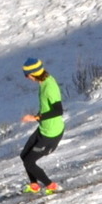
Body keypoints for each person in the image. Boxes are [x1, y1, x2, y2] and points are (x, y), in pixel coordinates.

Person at [18, 58, 65, 195]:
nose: (27, 78)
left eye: (27, 75)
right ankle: (34, 185)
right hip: (44, 128)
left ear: (33, 73)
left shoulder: (49, 87)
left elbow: (58, 110)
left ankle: (51, 186)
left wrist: (36, 117)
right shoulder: (45, 81)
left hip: (51, 133)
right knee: (24, 155)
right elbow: (47, 107)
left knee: (29, 162)